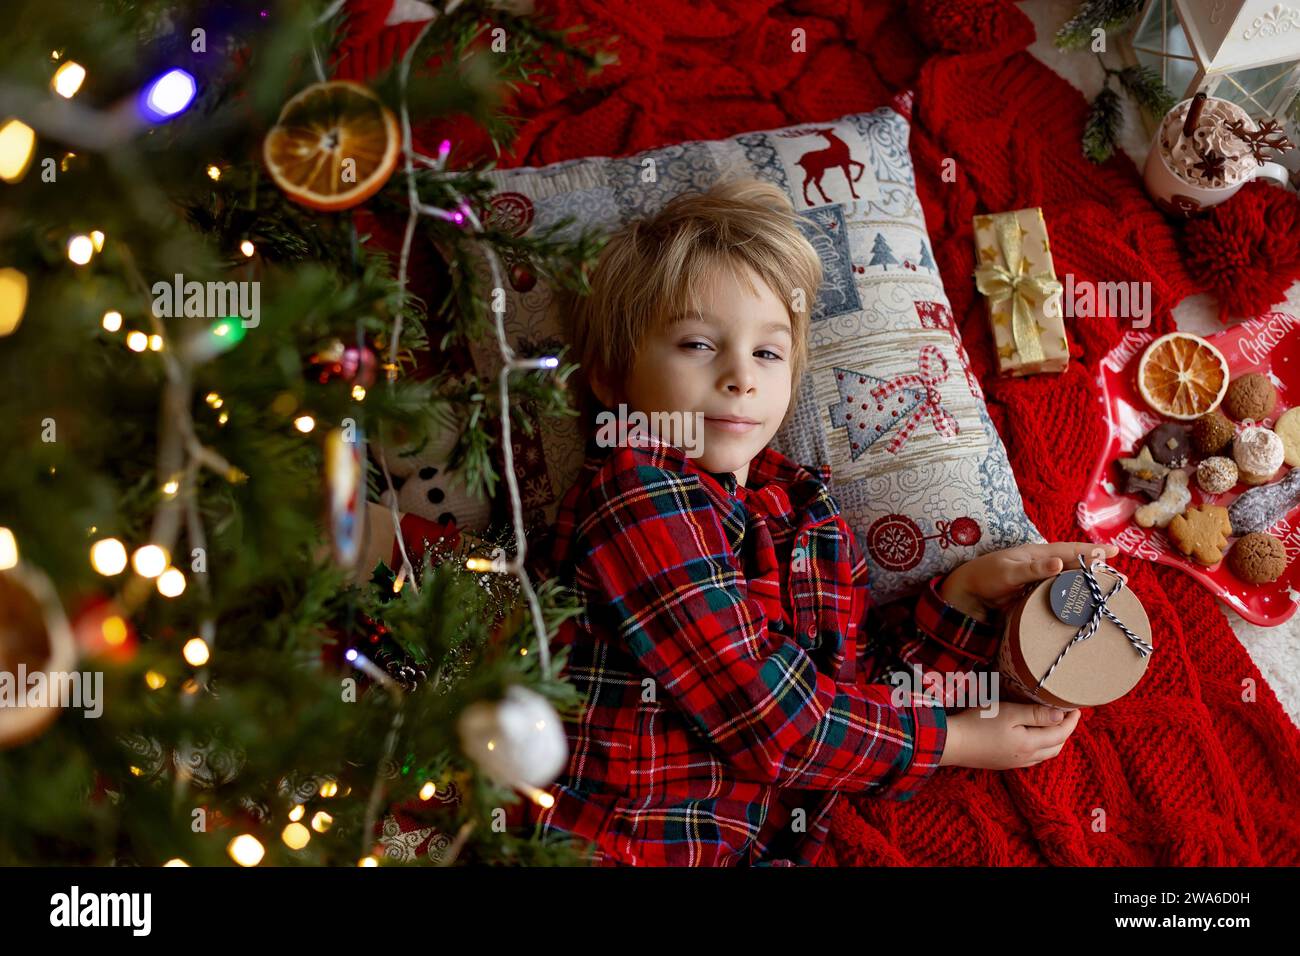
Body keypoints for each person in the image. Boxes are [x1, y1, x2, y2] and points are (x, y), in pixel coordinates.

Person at [514, 177, 1107, 866]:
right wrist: (955, 741)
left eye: (767, 353)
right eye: (698, 345)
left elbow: (851, 705)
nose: (741, 375)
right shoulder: (637, 493)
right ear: (614, 381)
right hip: (617, 844)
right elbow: (770, 723)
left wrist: (963, 601)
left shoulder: (811, 520)